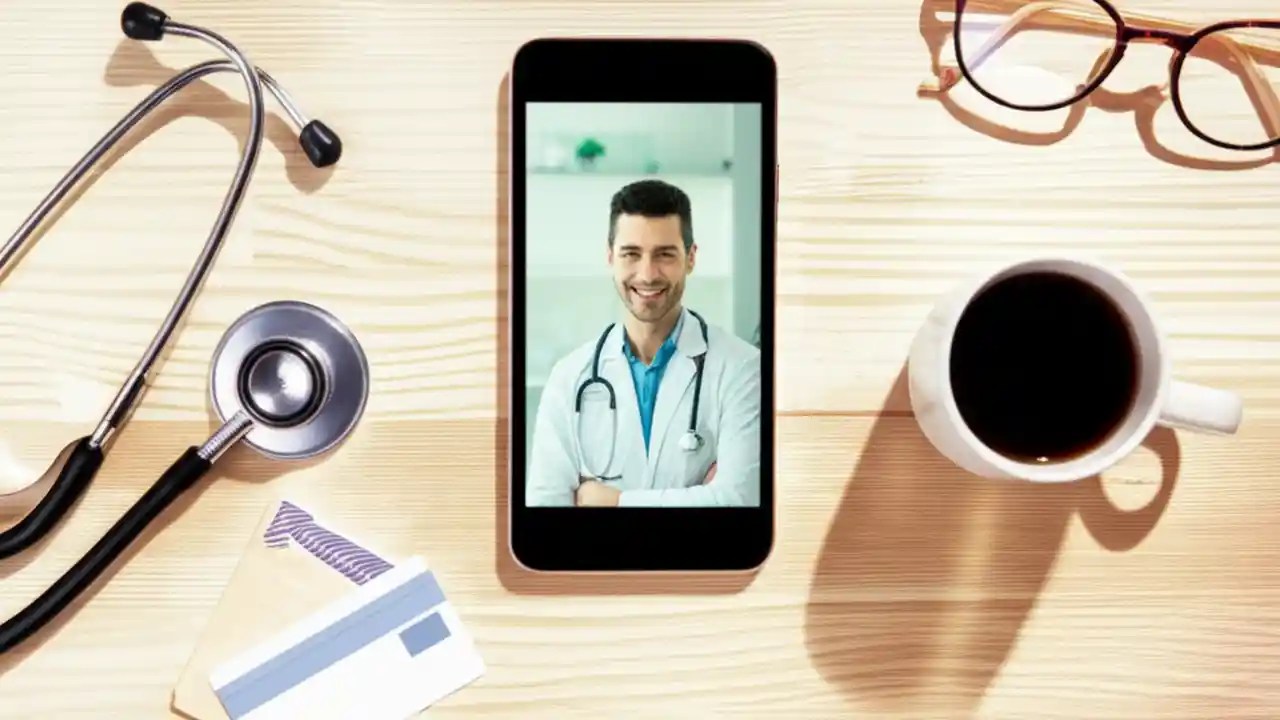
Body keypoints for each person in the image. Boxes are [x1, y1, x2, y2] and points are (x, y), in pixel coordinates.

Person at [526, 179, 761, 507]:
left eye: (664, 255)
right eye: (631, 254)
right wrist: (697, 499)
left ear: (691, 258)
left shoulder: (742, 369)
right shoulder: (568, 377)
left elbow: (738, 501)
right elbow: (545, 512)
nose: (648, 274)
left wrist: (614, 502)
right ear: (610, 257)